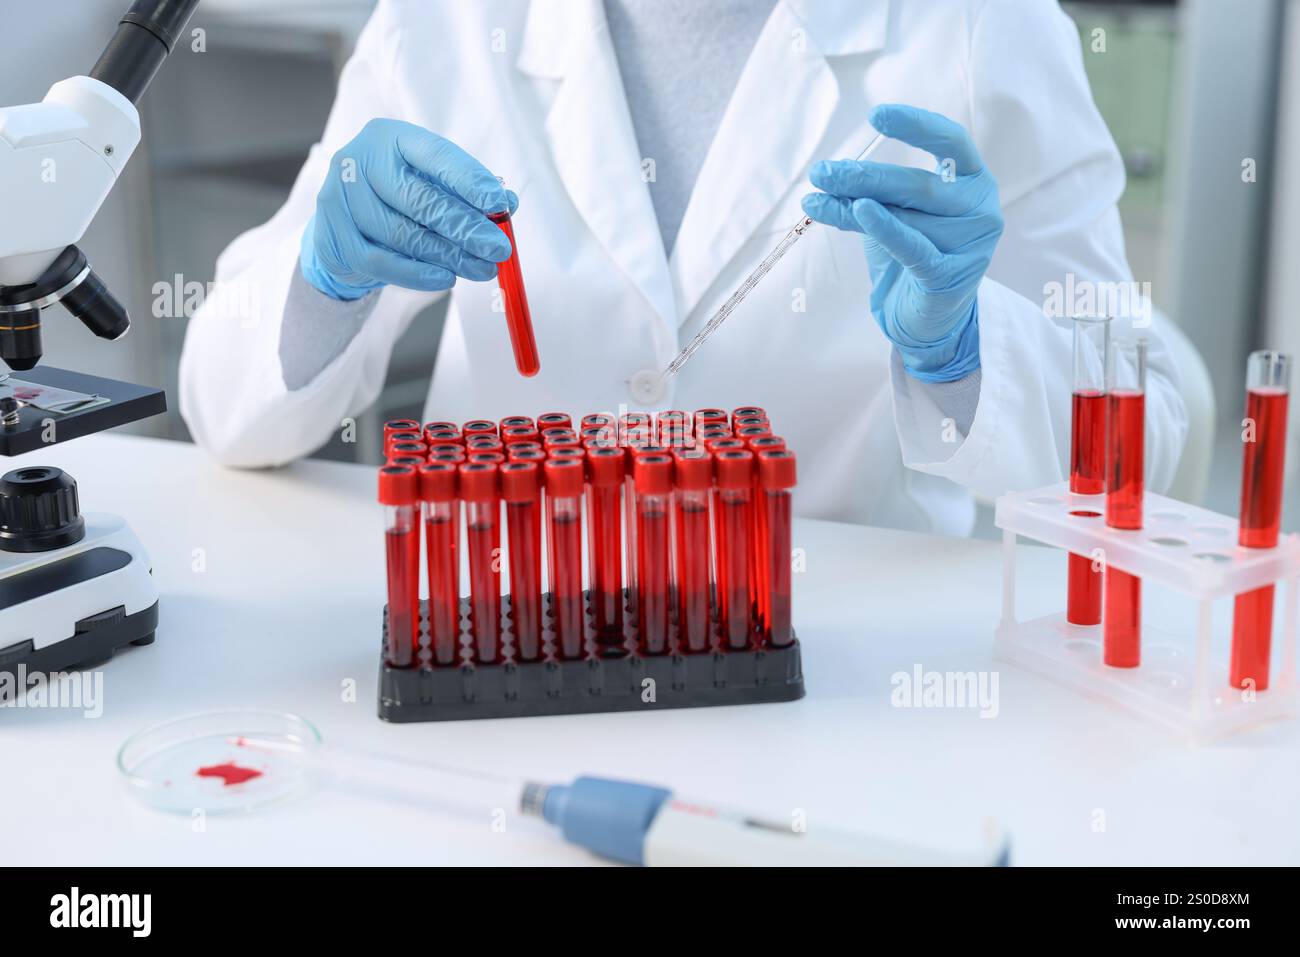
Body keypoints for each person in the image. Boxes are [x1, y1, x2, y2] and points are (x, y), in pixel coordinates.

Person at [179, 0, 1187, 534]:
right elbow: (227, 414)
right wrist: (323, 280)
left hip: (836, 685)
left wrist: (963, 354)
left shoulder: (976, 24)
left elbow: (1145, 429)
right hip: (496, 637)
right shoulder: (444, 21)